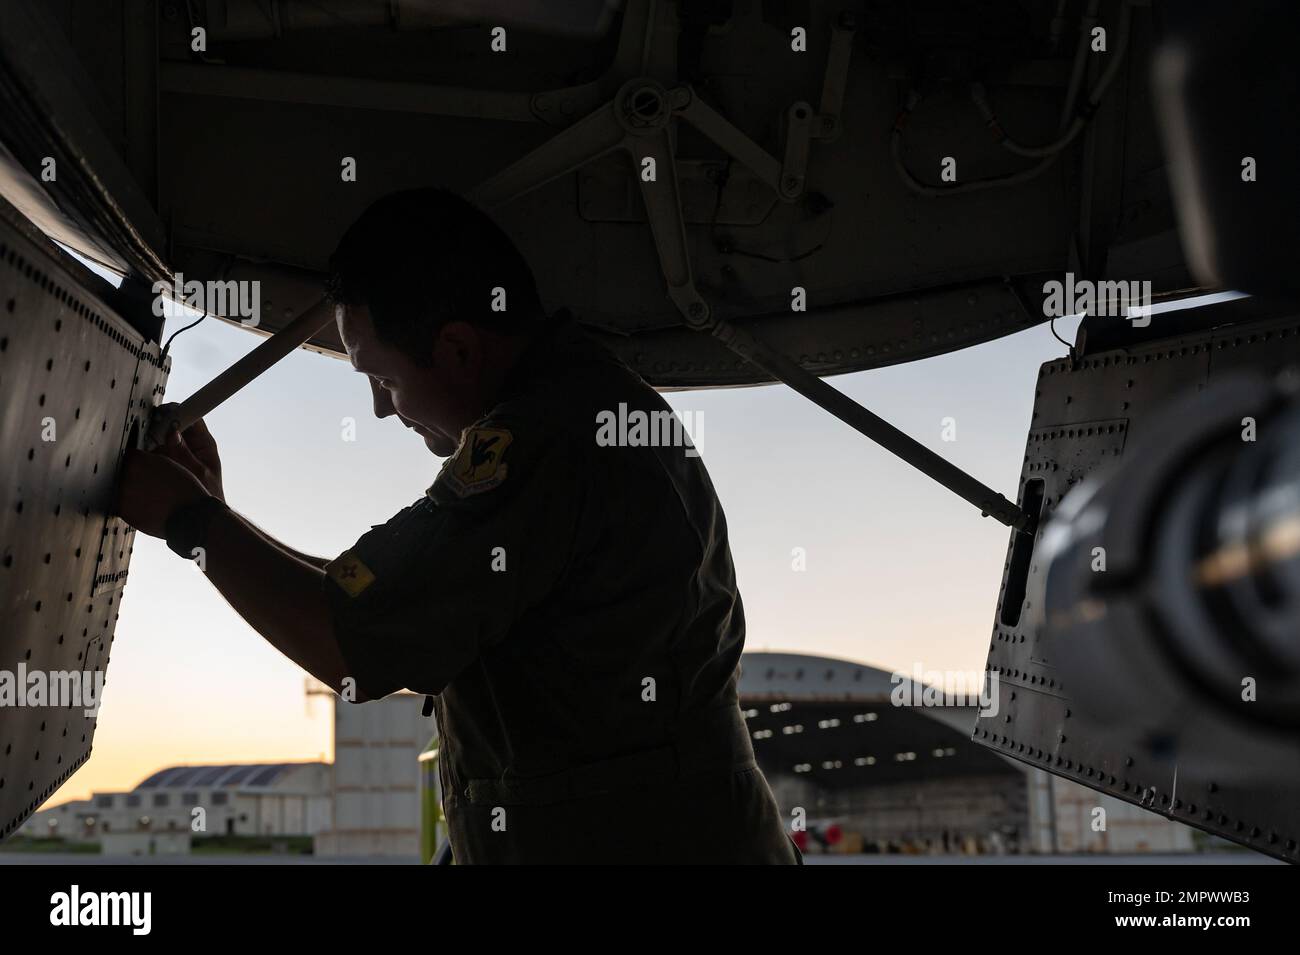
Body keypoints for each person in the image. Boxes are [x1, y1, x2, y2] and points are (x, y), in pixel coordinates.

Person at [116, 188, 801, 864]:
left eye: (381, 379)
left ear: (458, 351)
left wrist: (194, 523)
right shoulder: (577, 405)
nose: (383, 410)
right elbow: (373, 603)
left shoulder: (544, 437)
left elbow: (353, 644)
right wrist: (222, 516)